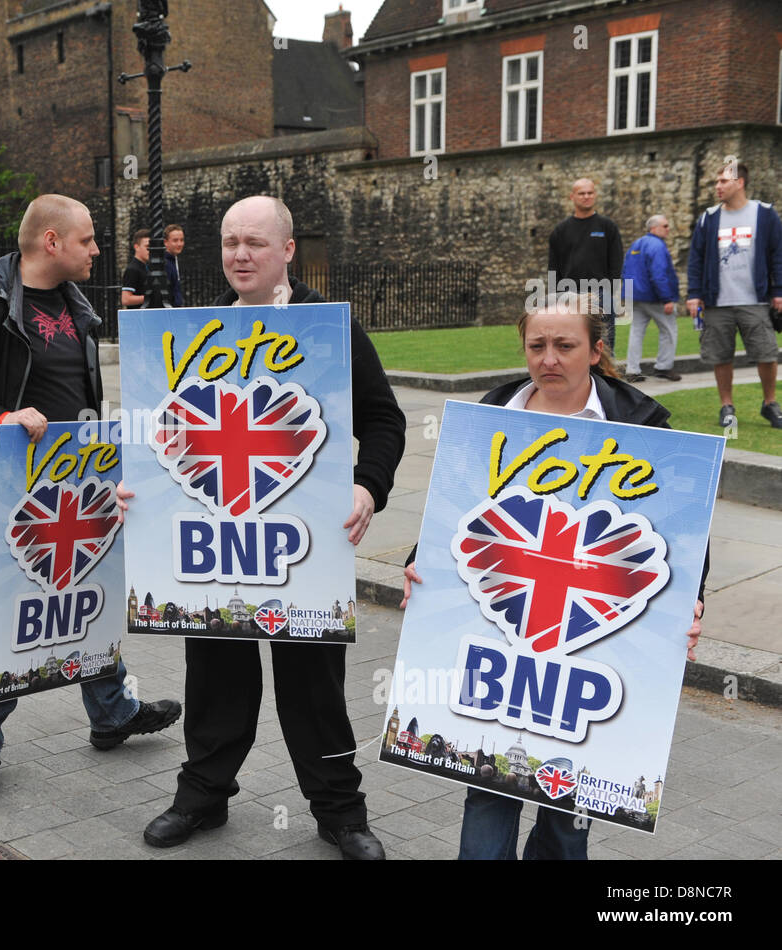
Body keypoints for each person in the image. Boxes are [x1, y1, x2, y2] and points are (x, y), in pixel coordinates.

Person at [140, 195, 406, 860]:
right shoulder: (193, 333)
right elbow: (160, 432)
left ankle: (340, 812)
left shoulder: (328, 329)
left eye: (255, 242)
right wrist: (136, 488)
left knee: (313, 685)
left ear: (288, 250)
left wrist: (367, 485)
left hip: (304, 547)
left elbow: (384, 420)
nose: (239, 254)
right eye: (230, 241)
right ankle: (202, 795)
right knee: (213, 673)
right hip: (216, 546)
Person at [0, 194, 181, 801]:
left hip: (77, 482)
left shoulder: (78, 306)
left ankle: (112, 714)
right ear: (51, 242)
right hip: (10, 492)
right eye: (88, 240)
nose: (98, 250)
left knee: (88, 592)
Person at [400, 293, 706, 860]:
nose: (549, 359)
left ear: (595, 351)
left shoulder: (642, 422)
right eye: (537, 346)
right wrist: (422, 561)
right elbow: (455, 509)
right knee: (489, 786)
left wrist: (692, 600)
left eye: (566, 346)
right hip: (502, 635)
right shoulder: (490, 417)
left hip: (596, 645)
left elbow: (683, 536)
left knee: (571, 807)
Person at [686, 160, 782, 430]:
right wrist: (694, 294)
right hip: (717, 301)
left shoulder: (764, 213)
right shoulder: (709, 217)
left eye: (723, 181)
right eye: (716, 182)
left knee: (766, 353)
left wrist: (778, 291)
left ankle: (770, 404)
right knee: (721, 356)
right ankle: (727, 406)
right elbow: (696, 258)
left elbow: (778, 255)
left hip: (755, 299)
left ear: (739, 183)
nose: (717, 186)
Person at [547, 178, 623, 351]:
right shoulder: (560, 231)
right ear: (572, 197)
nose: (586, 196)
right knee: (571, 343)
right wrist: (556, 297)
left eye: (590, 193)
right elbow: (553, 267)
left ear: (595, 195)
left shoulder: (607, 227)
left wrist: (609, 291)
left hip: (600, 294)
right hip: (569, 295)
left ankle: (604, 378)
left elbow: (616, 263)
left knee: (605, 345)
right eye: (581, 193)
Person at [620, 215, 681, 382]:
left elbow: (625, 270)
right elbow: (659, 274)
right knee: (668, 330)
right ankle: (664, 366)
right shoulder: (657, 246)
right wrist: (667, 298)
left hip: (636, 296)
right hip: (654, 297)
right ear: (654, 228)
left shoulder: (636, 244)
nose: (668, 229)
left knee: (636, 332)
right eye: (665, 226)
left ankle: (632, 370)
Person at [120, 228, 151, 308]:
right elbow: (126, 299)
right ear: (136, 247)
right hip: (137, 317)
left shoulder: (145, 266)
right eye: (147, 246)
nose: (150, 250)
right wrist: (150, 298)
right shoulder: (132, 269)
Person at [164, 223, 186, 307]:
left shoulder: (174, 259)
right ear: (165, 242)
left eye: (181, 240)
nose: (180, 244)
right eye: (175, 240)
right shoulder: (165, 263)